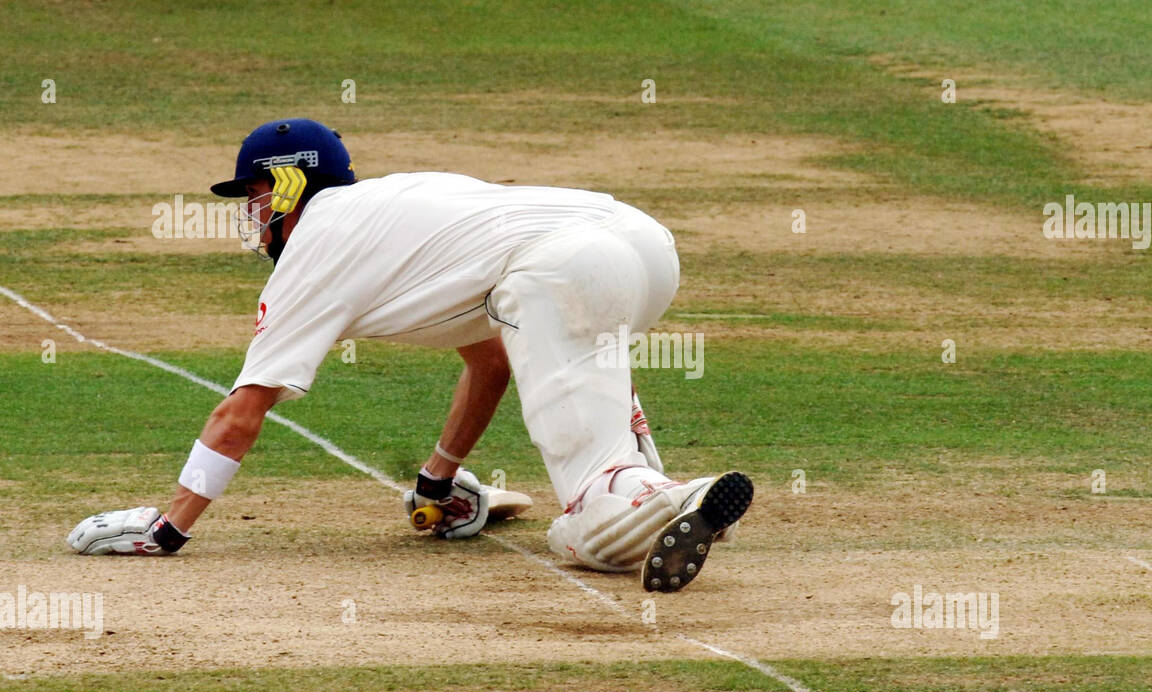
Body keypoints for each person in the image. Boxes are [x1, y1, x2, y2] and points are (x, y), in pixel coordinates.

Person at [67, 118, 752, 592]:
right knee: (573, 387)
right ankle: (652, 495)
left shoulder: (316, 247)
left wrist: (169, 528)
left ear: (286, 187)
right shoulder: (395, 214)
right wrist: (437, 482)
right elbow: (491, 363)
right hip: (643, 247)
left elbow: (242, 410)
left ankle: (647, 495)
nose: (250, 212)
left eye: (253, 194)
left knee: (583, 519)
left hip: (567, 264)